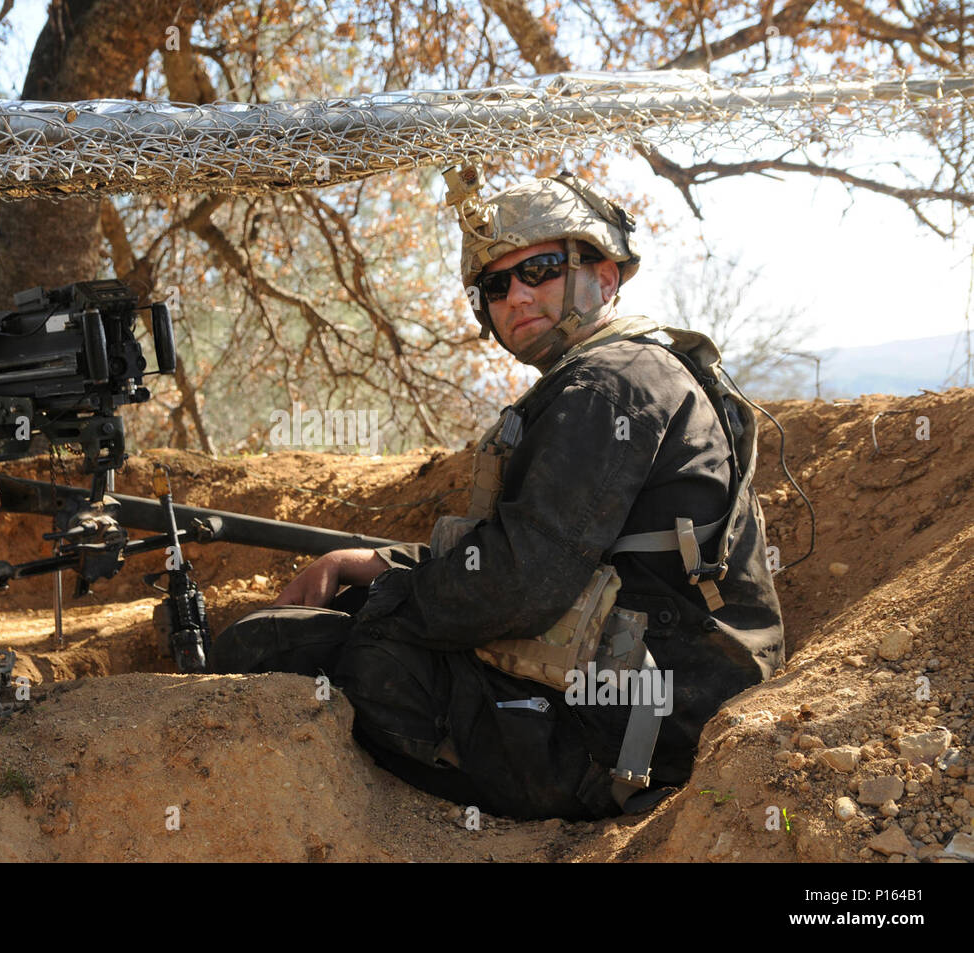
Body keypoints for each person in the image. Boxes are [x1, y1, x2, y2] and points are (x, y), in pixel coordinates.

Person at [211, 168, 784, 820]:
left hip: (630, 733)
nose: (515, 295)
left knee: (276, 646)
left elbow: (521, 583)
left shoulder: (609, 385)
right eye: (495, 283)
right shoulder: (624, 370)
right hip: (649, 697)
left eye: (539, 268)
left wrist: (386, 600)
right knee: (362, 606)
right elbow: (531, 554)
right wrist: (367, 567)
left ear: (606, 276)